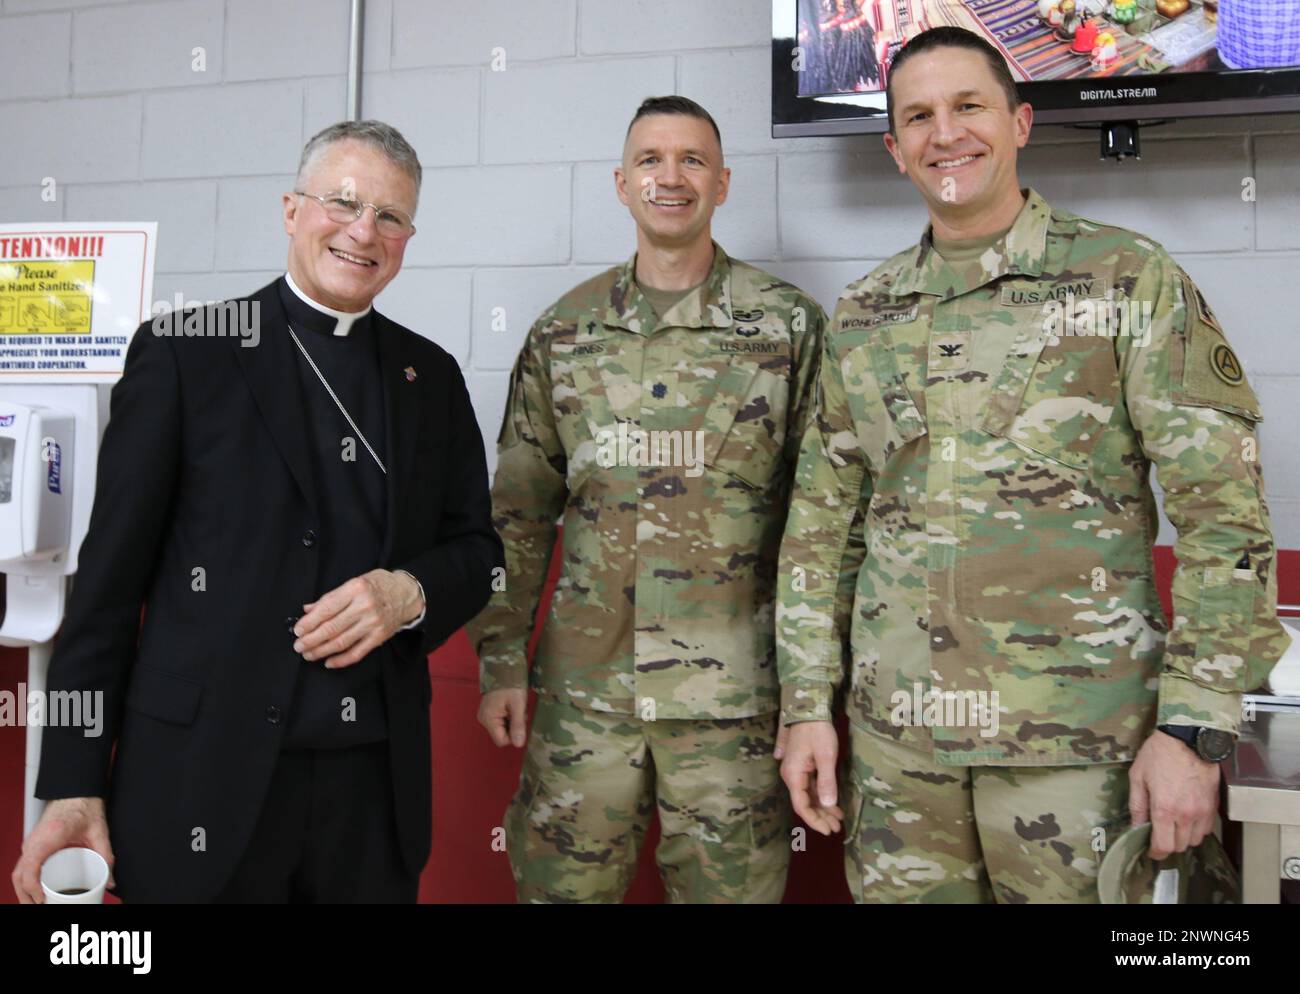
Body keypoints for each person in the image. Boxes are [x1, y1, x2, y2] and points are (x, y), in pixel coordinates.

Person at [776, 27, 1290, 903]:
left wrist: (1197, 730)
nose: (947, 135)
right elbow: (823, 531)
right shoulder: (863, 314)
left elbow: (1221, 515)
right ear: (894, 149)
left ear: (1019, 122)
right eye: (920, 117)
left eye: (968, 107)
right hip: (902, 751)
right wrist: (803, 706)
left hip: (1075, 750)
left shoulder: (1127, 280)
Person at [12, 120, 503, 904]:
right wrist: (72, 782)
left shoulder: (430, 376)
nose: (362, 231)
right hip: (199, 786)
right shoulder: (185, 351)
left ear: (409, 235)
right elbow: (105, 589)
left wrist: (408, 592)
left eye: (390, 216)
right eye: (342, 202)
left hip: (371, 798)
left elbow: (481, 553)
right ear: (289, 209)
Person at [468, 96, 828, 903]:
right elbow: (518, 515)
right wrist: (500, 659)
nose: (671, 177)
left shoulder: (788, 329)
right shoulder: (563, 333)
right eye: (651, 160)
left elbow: (825, 524)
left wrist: (812, 698)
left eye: (692, 160)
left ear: (724, 182)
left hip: (734, 703)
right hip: (583, 700)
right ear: (621, 182)